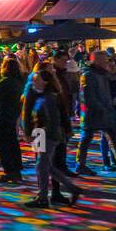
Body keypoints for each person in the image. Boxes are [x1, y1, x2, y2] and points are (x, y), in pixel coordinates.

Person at [23, 67, 82, 210]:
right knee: (45, 166)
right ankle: (70, 189)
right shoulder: (41, 95)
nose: (33, 82)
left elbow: (53, 120)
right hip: (41, 133)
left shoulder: (48, 97)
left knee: (42, 165)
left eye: (36, 80)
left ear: (44, 82)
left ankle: (43, 197)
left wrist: (43, 134)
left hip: (46, 135)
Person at [76, 50, 116, 175]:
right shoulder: (88, 75)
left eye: (106, 60)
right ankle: (80, 164)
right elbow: (88, 97)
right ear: (95, 60)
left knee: (113, 138)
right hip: (92, 113)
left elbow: (108, 87)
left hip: (103, 112)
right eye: (102, 60)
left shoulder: (101, 74)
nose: (105, 62)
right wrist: (103, 107)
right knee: (86, 139)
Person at [0, 56, 25, 185]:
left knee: (1, 144)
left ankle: (9, 170)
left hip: (2, 115)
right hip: (13, 115)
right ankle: (16, 170)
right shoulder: (19, 82)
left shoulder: (5, 81)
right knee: (13, 143)